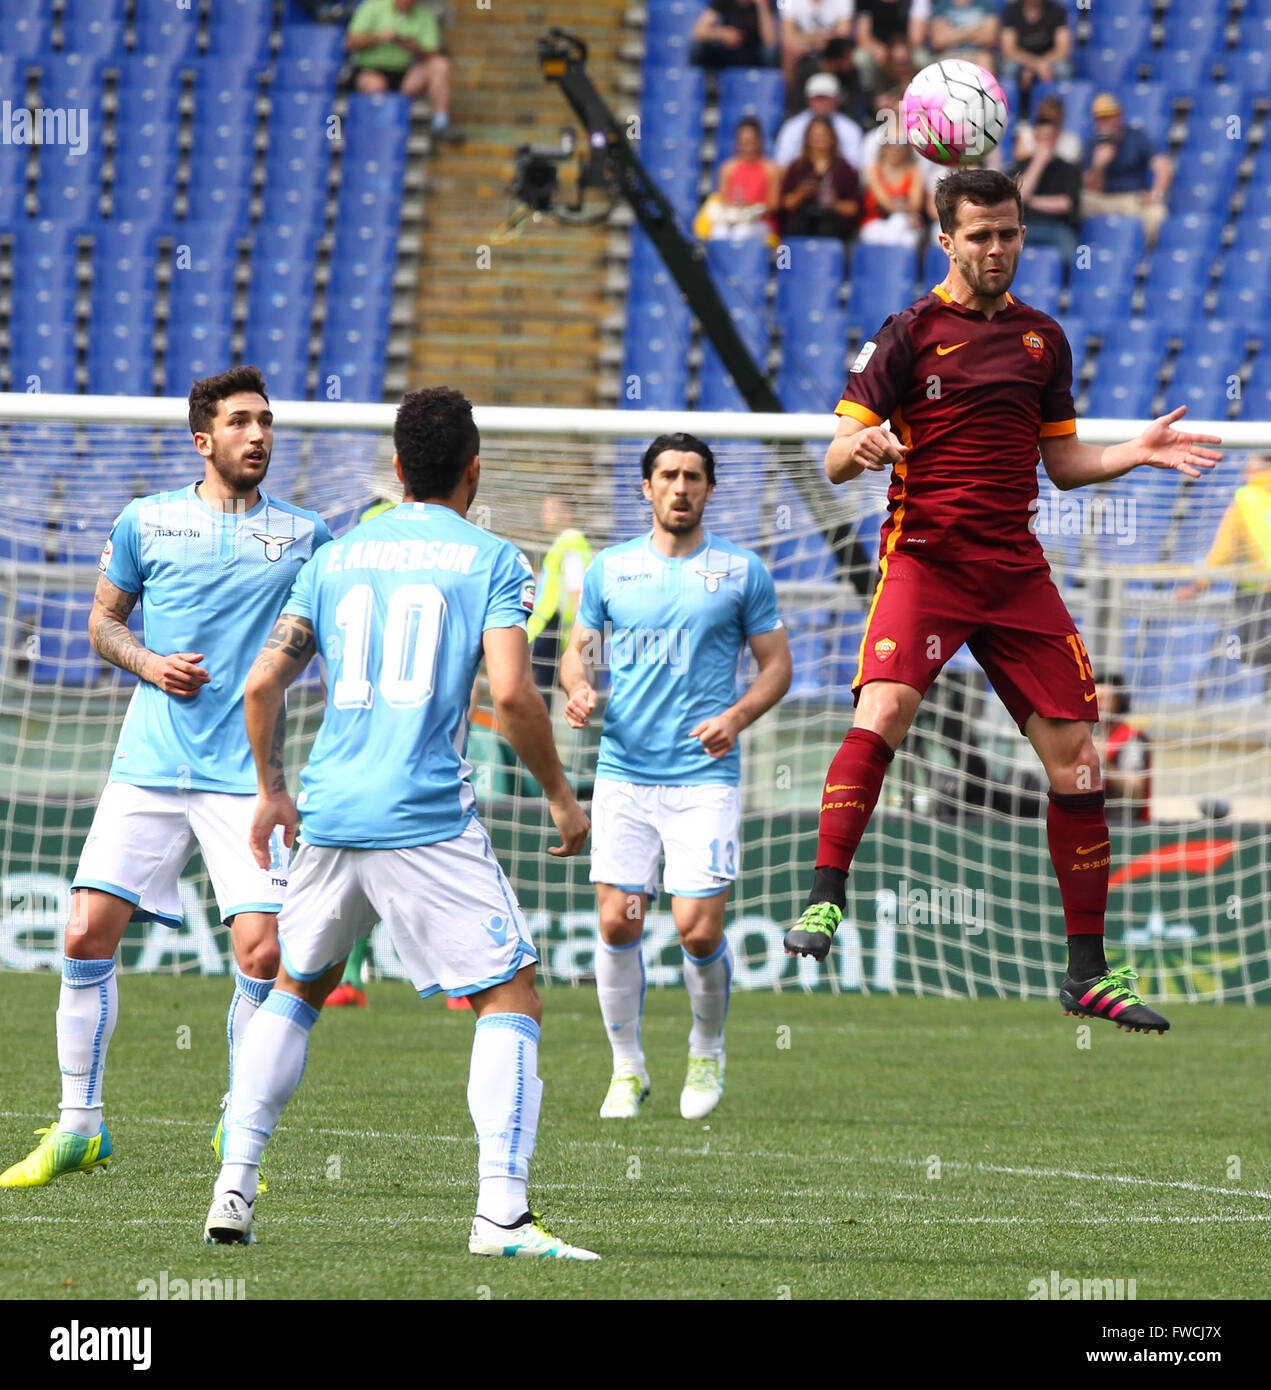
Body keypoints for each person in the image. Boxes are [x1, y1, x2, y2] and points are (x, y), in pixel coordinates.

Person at [782, 167, 1223, 1037]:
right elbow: (833, 455)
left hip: (1014, 571)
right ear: (943, 239)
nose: (996, 249)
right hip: (926, 563)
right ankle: (825, 895)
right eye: (979, 235)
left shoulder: (1042, 340)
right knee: (885, 711)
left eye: (1009, 233)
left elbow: (1061, 464)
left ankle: (1088, 972)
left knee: (1080, 760)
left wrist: (1134, 449)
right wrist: (861, 441)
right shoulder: (905, 335)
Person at [203, 387, 597, 1259]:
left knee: (297, 989)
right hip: (423, 817)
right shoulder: (493, 558)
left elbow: (261, 684)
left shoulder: (337, 555)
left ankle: (234, 1184)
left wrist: (271, 789)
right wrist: (564, 800)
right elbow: (510, 692)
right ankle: (500, 1215)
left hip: (332, 809)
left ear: (396, 468)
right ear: (474, 470)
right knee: (511, 994)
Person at [0, 367, 333, 1189]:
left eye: (265, 422)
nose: (257, 436)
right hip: (149, 766)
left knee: (263, 952)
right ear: (203, 439)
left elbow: (333, 630)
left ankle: (238, 1113)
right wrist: (149, 662)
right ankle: (81, 1127)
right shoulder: (146, 520)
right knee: (83, 934)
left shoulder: (305, 535)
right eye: (240, 423)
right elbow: (102, 622)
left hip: (246, 779)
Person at [561, 433, 791, 1121]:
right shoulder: (609, 570)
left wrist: (737, 716)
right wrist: (576, 690)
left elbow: (777, 667)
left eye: (693, 476)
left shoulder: (741, 571)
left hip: (703, 777)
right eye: (667, 475)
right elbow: (579, 658)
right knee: (616, 920)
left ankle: (705, 1045)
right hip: (625, 773)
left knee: (694, 930)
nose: (680, 487)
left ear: (709, 489)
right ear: (645, 487)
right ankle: (626, 1068)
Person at [1177, 454, 1271, 671]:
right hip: (1259, 592)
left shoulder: (1246, 499)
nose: (1244, 471)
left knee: (1263, 662)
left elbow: (1224, 552)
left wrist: (1198, 585)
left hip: (1258, 594)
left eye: (1249, 466)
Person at [345, 0, 460, 144]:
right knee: (376, 85)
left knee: (440, 64)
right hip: (370, 69)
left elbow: (432, 53)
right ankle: (376, 133)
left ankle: (440, 122)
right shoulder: (372, 7)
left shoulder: (424, 16)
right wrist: (378, 37)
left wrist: (413, 47)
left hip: (403, 73)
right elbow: (350, 42)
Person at [1082, 93, 1172, 249]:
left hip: (1131, 199)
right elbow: (1091, 187)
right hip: (1102, 200)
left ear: (1119, 116)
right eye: (1100, 118)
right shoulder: (1091, 144)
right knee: (1079, 200)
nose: (1105, 122)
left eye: (1109, 116)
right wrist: (1098, 166)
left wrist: (1156, 192)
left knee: (1156, 213)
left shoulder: (1136, 136)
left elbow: (1162, 165)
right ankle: (1091, 251)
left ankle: (1142, 255)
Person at [527, 495, 594, 694]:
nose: (544, 514)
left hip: (556, 631)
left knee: (548, 692)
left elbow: (577, 592)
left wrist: (578, 636)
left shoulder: (570, 544)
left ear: (566, 514)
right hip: (548, 629)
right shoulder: (562, 544)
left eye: (550, 510)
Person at [1010, 94, 1081, 268]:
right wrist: (1039, 162)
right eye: (1041, 139)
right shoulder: (1020, 166)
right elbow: (1018, 196)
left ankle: (1068, 289)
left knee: (1074, 254)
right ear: (1035, 139)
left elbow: (1064, 204)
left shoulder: (1068, 168)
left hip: (1056, 228)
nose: (1045, 144)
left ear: (1056, 140)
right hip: (1025, 227)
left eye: (1049, 139)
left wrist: (1031, 201)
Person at [778, 115, 863, 242]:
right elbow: (785, 204)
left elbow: (854, 209)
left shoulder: (844, 169)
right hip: (801, 222)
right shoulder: (797, 167)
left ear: (832, 138)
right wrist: (802, 192)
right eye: (815, 135)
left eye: (824, 134)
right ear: (808, 139)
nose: (820, 139)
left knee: (827, 229)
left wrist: (834, 203)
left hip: (832, 223)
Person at [710, 116, 781, 245]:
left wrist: (750, 207)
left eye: (751, 142)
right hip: (734, 219)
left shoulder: (771, 169)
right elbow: (724, 199)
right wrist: (737, 209)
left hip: (761, 223)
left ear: (759, 142)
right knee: (718, 231)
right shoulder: (728, 168)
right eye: (743, 142)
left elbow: (773, 205)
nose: (747, 147)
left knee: (743, 232)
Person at [773, 72, 865, 172]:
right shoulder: (792, 127)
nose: (821, 103)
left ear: (836, 99)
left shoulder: (851, 129)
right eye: (817, 98)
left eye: (826, 98)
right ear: (808, 100)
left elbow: (855, 166)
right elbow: (782, 163)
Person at [1093, 676, 1151, 825]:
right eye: (1093, 699)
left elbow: (1137, 791)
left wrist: (1104, 761)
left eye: (1102, 699)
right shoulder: (1095, 737)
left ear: (1119, 703)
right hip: (1099, 822)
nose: (1096, 706)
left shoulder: (1132, 740)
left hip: (1126, 825)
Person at [1000, 0, 1072, 115]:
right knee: (1009, 69)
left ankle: (1062, 118)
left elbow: (1063, 50)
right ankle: (1009, 116)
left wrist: (1042, 65)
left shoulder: (1057, 9)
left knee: (1063, 70)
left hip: (1049, 61)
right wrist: (1035, 65)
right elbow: (1009, 50)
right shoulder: (1011, 10)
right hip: (1022, 61)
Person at [780, 0, 857, 104]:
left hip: (832, 49)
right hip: (805, 48)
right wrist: (818, 39)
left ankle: (849, 105)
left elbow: (843, 34)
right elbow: (788, 38)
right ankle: (791, 104)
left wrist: (812, 40)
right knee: (789, 53)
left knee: (849, 55)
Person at [859, 139, 924, 248]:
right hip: (875, 224)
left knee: (907, 236)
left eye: (901, 144)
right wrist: (907, 208)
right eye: (891, 144)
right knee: (899, 223)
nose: (896, 149)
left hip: (907, 226)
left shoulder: (915, 172)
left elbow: (916, 205)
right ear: (883, 147)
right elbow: (886, 204)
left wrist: (900, 206)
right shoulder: (873, 171)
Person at [689, 0, 779, 70]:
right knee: (697, 46)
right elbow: (698, 32)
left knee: (769, 52)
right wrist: (723, 33)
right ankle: (702, 86)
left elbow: (770, 42)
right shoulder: (723, 1)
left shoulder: (765, 4)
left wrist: (762, 7)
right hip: (729, 52)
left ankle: (767, 87)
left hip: (753, 53)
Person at [928, 0, 999, 69]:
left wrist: (953, 32)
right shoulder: (942, 5)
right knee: (942, 64)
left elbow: (989, 38)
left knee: (984, 59)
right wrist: (975, 30)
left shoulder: (986, 5)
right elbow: (938, 40)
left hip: (977, 53)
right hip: (948, 53)